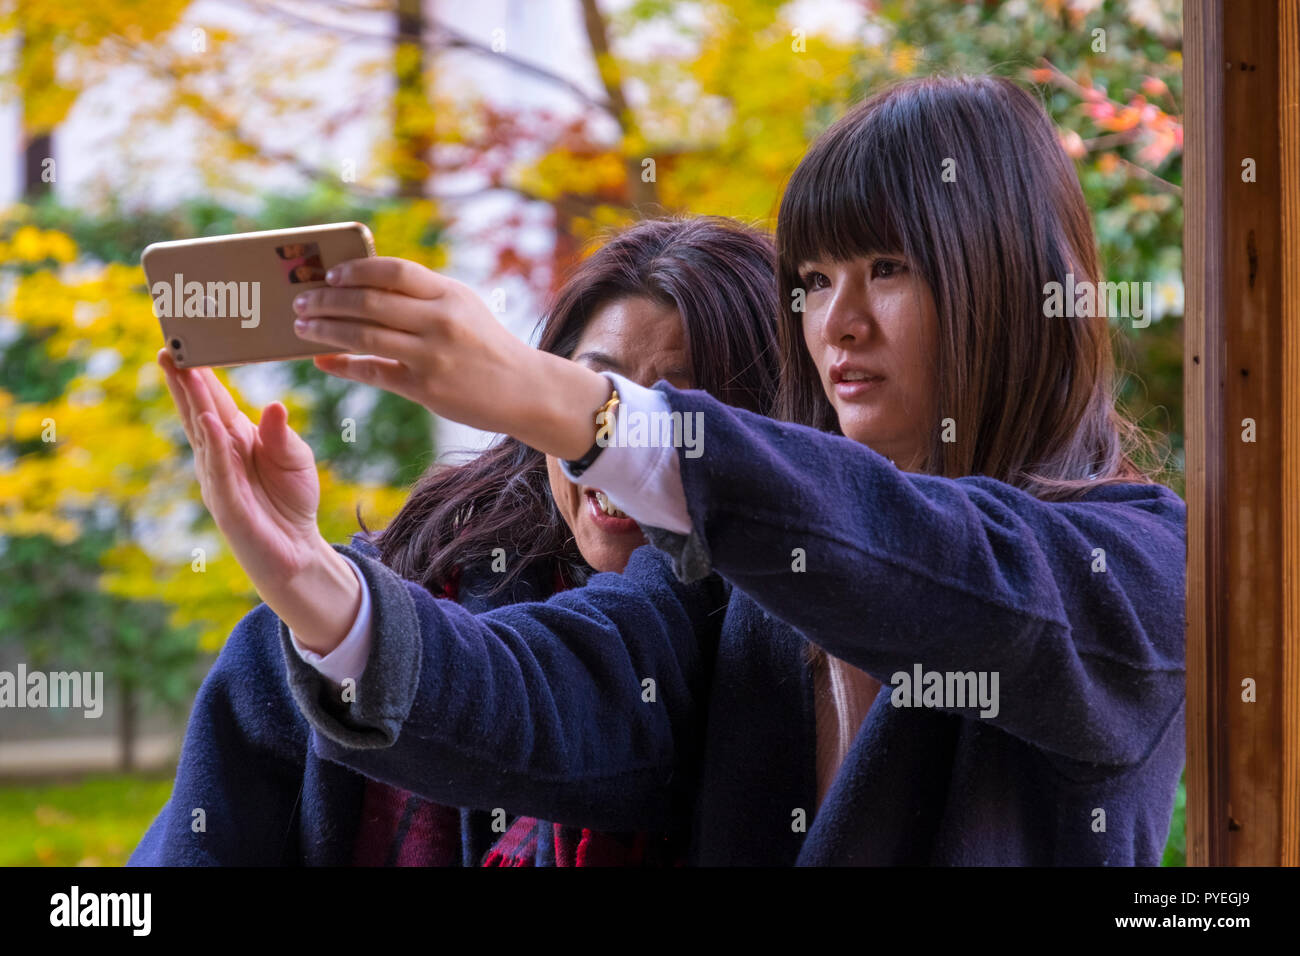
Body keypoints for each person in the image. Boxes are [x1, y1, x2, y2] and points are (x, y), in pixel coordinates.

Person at [172, 75, 1186, 864]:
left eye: (889, 268)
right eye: (815, 279)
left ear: (1005, 283)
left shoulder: (1127, 564)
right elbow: (544, 693)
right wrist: (309, 581)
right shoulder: (740, 596)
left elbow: (926, 557)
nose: (838, 322)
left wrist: (547, 394)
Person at [129, 216, 779, 865]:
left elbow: (538, 694)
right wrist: (308, 581)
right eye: (595, 395)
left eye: (666, 419)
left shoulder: (773, 646)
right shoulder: (324, 634)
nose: (609, 459)